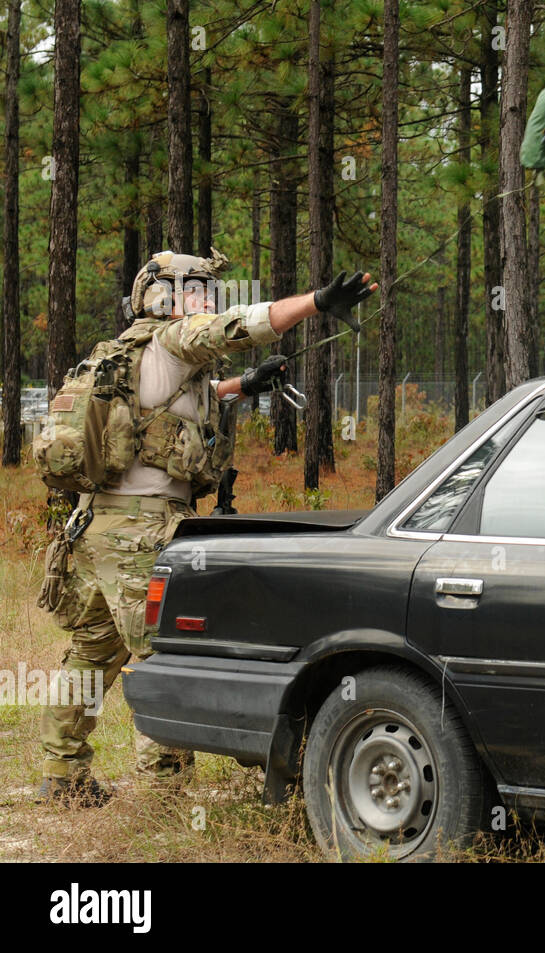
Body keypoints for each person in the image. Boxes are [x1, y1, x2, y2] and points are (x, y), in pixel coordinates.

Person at [36, 248, 375, 805]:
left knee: (91, 653)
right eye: (196, 287)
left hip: (97, 526)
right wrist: (316, 303)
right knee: (164, 653)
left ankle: (62, 773)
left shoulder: (136, 351)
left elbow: (171, 407)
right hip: (140, 532)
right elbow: (238, 326)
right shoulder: (174, 339)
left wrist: (245, 385)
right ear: (164, 293)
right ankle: (166, 790)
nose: (208, 298)